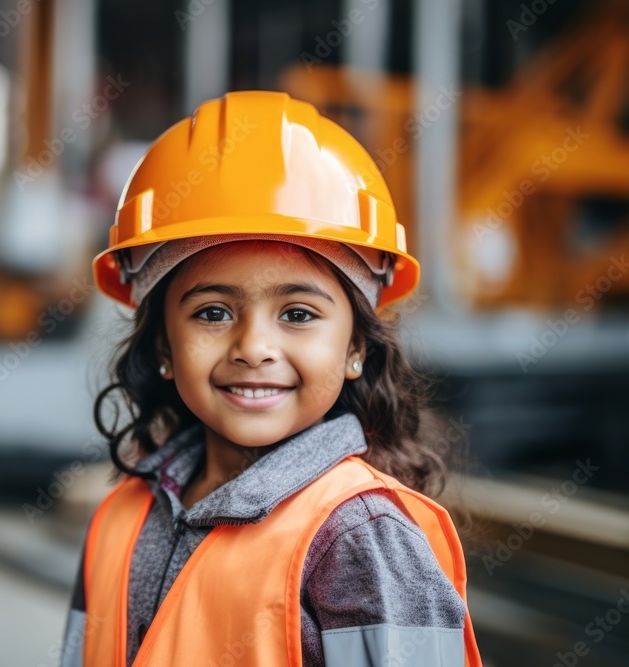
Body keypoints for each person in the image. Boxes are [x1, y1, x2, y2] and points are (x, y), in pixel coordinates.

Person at [58, 91, 483, 666]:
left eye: (298, 315)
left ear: (356, 347)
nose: (254, 347)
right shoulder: (120, 518)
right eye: (212, 312)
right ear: (163, 343)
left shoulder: (359, 538)